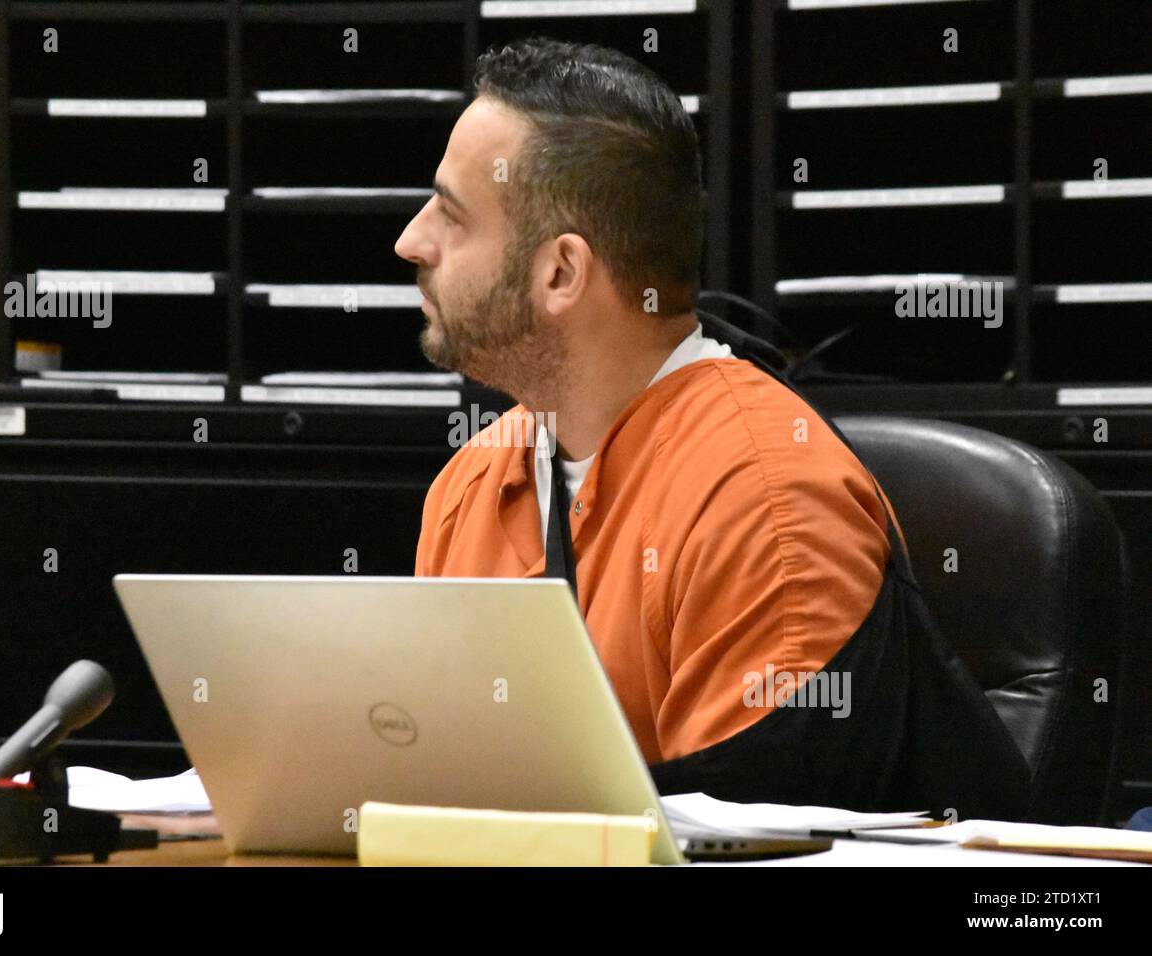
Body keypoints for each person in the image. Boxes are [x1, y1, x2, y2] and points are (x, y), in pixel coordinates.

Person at [394, 36, 1030, 821]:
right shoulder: (471, 484)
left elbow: (755, 840)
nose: (410, 240)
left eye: (451, 217)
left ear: (561, 273)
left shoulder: (767, 503)